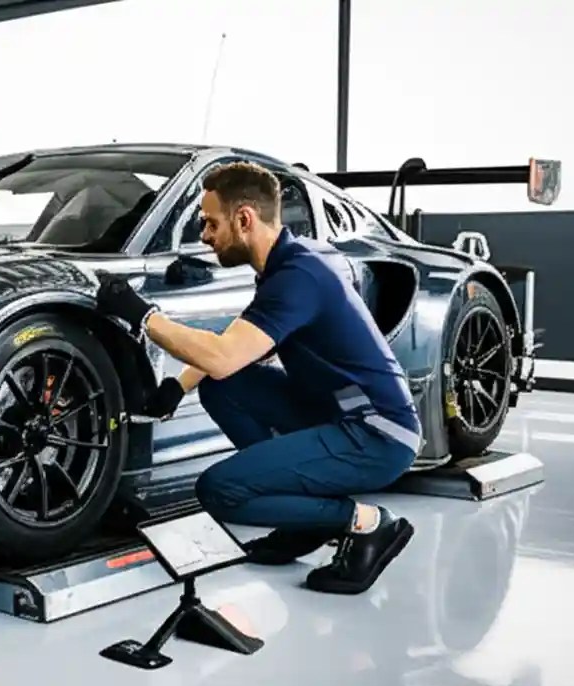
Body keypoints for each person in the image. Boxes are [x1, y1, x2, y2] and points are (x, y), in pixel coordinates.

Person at [94, 160, 422, 595]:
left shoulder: (298, 278)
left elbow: (223, 355)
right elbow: (239, 346)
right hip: (336, 413)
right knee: (222, 386)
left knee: (220, 490)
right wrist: (176, 386)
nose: (205, 236)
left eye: (211, 223)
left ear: (244, 219)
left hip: (375, 435)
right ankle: (303, 521)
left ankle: (368, 523)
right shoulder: (291, 264)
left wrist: (142, 315)